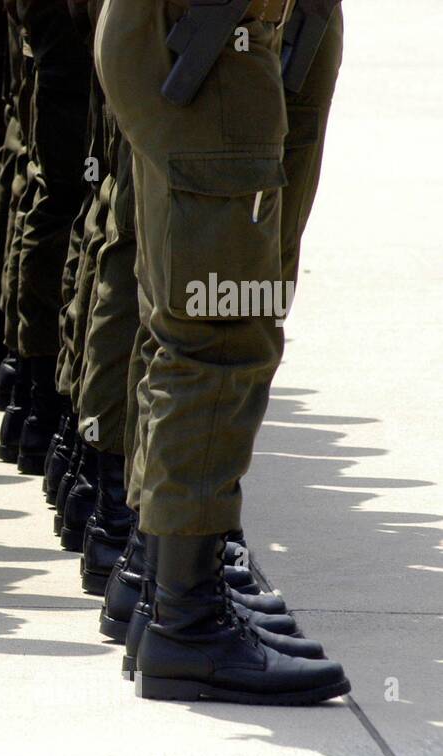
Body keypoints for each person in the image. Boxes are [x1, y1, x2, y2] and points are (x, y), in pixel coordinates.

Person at [95, 0, 349, 704]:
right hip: (210, 43)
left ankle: (164, 585)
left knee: (190, 321)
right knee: (218, 337)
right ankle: (188, 622)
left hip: (202, 39)